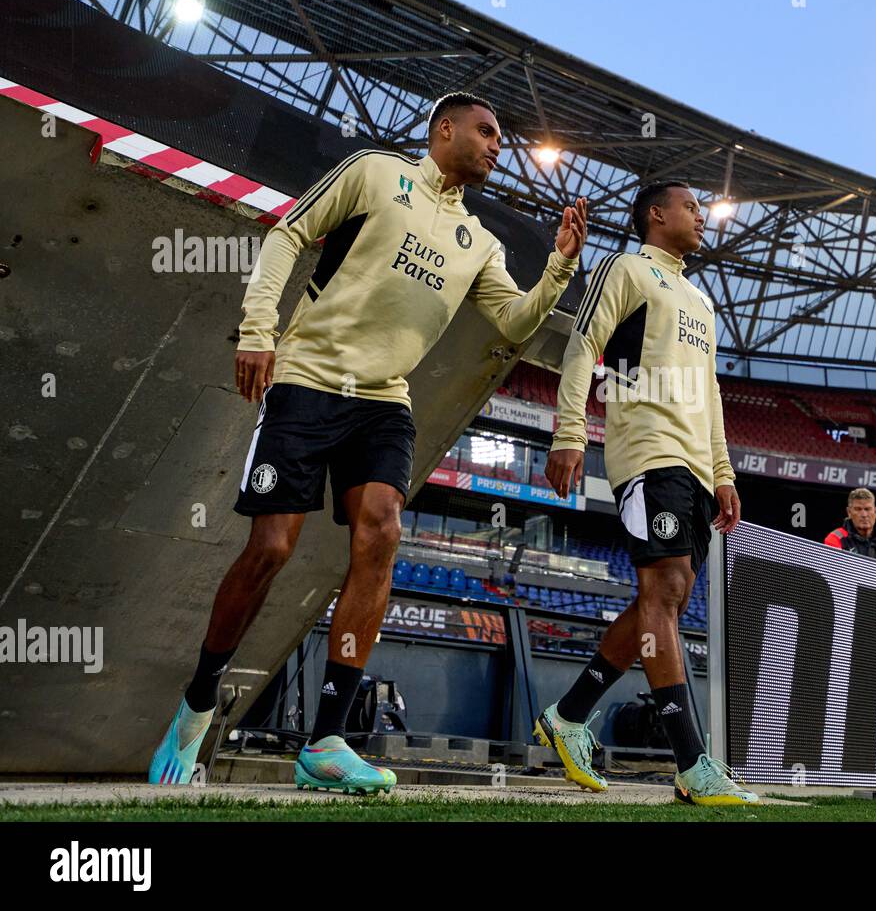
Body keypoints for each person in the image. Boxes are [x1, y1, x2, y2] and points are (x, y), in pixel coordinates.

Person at [148, 92, 588, 793]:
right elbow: (289, 232)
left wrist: (560, 267)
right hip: (308, 376)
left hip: (384, 400)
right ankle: (199, 702)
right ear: (444, 130)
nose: (497, 145)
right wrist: (260, 329)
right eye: (487, 132)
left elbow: (512, 322)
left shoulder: (480, 242)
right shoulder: (375, 173)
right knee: (270, 550)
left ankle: (326, 740)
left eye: (500, 137)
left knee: (381, 532)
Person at [542, 180, 756, 806]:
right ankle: (692, 763)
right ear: (656, 215)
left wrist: (724, 473)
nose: (701, 216)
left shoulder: (702, 301)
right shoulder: (627, 269)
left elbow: (711, 393)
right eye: (691, 206)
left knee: (667, 597)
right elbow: (584, 343)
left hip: (693, 465)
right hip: (646, 450)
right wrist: (570, 431)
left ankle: (568, 715)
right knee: (661, 590)